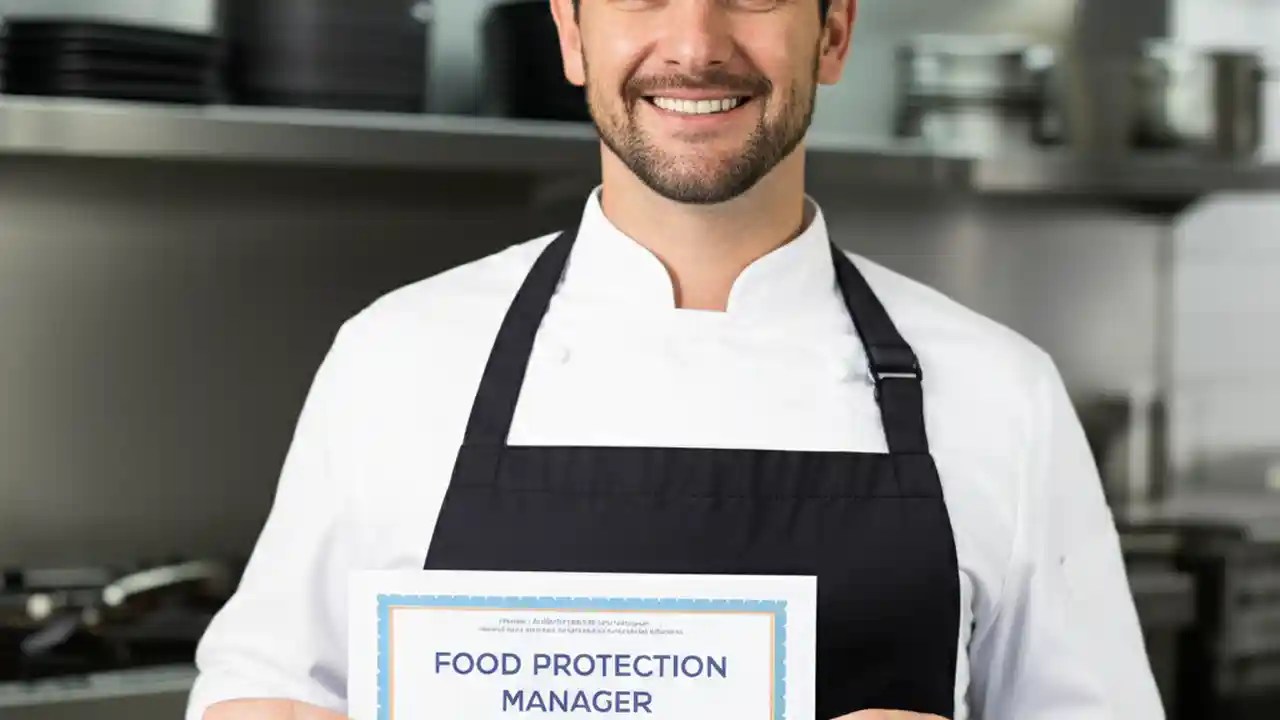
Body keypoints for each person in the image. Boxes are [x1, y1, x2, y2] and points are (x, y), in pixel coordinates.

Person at [190, 1, 1163, 718]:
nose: (694, 44)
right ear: (570, 32)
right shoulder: (394, 359)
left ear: (832, 33)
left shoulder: (1001, 393)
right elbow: (261, 691)